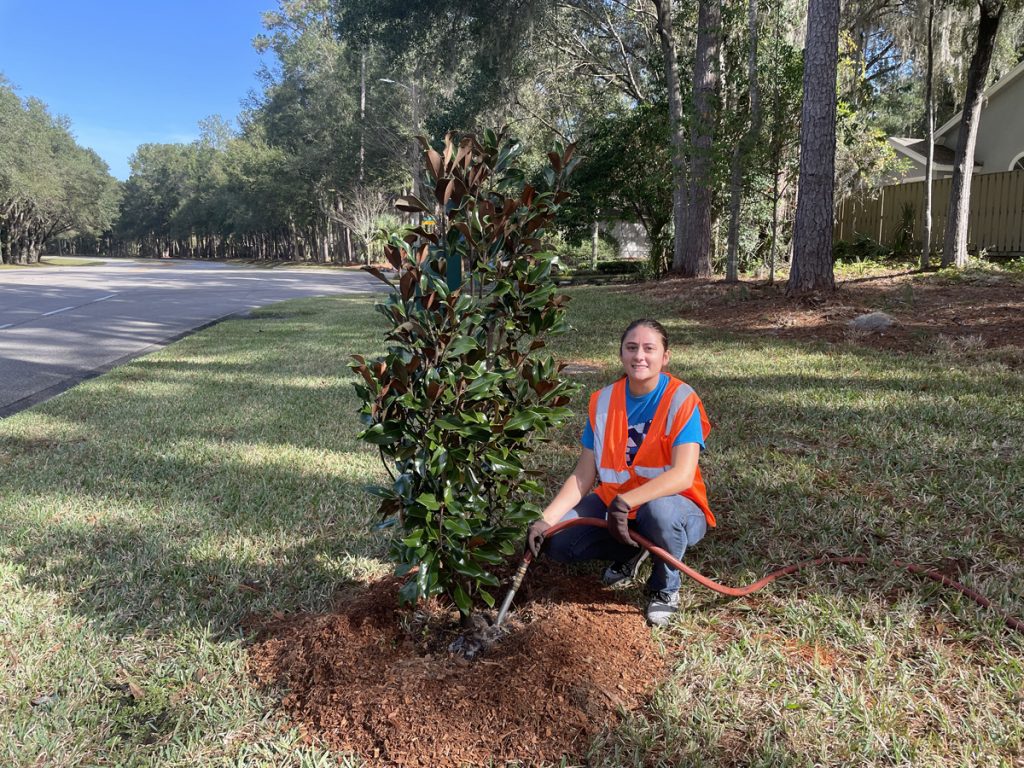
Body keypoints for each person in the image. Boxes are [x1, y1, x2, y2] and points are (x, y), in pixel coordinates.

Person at [525, 319, 715, 626]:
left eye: (649, 349)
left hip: (675, 506)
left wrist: (626, 502)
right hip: (616, 507)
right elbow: (584, 474)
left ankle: (665, 589)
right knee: (558, 542)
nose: (640, 356)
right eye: (632, 348)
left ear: (665, 357)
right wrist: (545, 520)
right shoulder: (602, 401)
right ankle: (632, 549)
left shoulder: (681, 399)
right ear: (621, 354)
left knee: (659, 513)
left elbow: (682, 474)